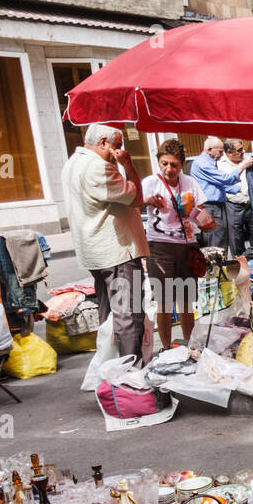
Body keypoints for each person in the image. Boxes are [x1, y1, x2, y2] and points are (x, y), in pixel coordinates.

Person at [61, 124, 150, 363]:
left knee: (110, 313)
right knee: (128, 315)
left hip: (96, 251)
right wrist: (128, 164)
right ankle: (129, 372)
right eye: (117, 146)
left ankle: (112, 368)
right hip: (115, 251)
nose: (119, 151)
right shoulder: (99, 167)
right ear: (103, 142)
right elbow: (136, 197)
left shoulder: (72, 163)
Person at [141, 139, 214, 350]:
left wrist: (206, 222)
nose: (168, 169)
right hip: (159, 246)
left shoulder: (189, 182)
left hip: (187, 245)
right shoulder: (150, 183)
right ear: (158, 162)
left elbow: (201, 213)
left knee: (186, 300)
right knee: (164, 302)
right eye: (164, 163)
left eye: (173, 164)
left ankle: (189, 346)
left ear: (181, 164)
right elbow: (133, 204)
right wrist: (147, 201)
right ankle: (165, 348)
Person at [189, 137, 241, 252]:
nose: (222, 155)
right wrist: (242, 167)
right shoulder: (202, 163)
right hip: (210, 206)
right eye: (220, 151)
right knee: (216, 244)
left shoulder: (208, 163)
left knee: (220, 240)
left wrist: (238, 189)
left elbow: (217, 183)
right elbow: (224, 179)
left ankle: (220, 268)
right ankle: (216, 268)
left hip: (216, 206)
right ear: (209, 149)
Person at [218, 139, 253, 256]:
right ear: (229, 152)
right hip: (233, 206)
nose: (243, 151)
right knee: (236, 240)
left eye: (243, 148)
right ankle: (241, 271)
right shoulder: (220, 165)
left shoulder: (248, 161)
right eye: (239, 150)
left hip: (251, 205)